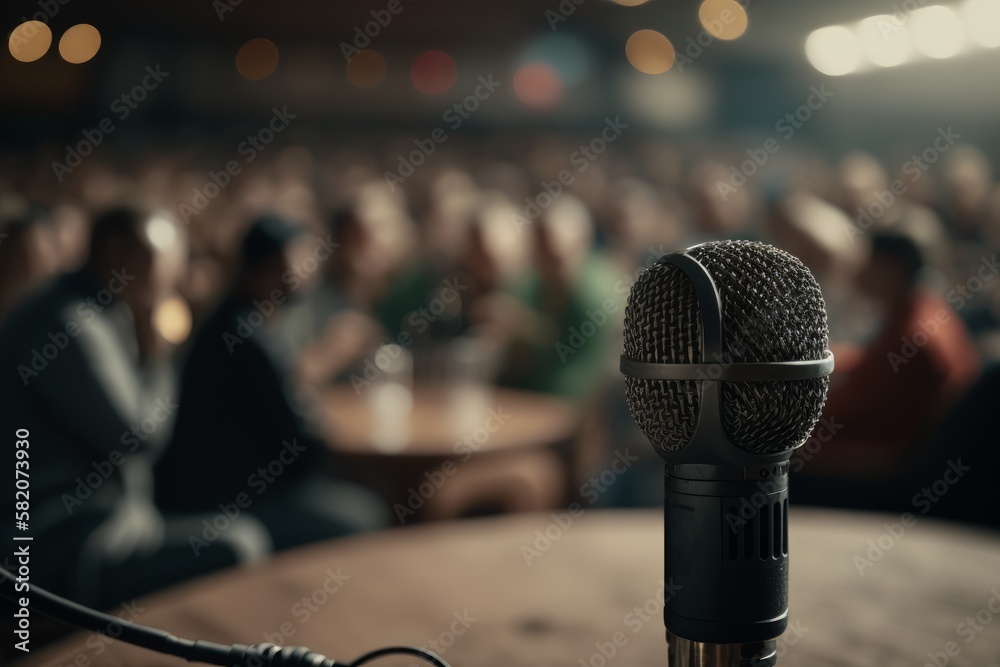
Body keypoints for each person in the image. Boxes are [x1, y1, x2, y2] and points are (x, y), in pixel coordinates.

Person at [0, 205, 270, 609]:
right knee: (239, 545)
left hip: (106, 524)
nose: (171, 274)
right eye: (158, 257)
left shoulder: (103, 309)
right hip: (60, 546)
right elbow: (137, 438)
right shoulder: (67, 322)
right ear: (113, 251)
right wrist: (160, 351)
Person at [155, 214, 388, 549]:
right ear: (273, 265)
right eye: (302, 259)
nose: (311, 270)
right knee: (368, 511)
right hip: (226, 500)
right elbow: (300, 447)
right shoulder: (246, 336)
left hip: (227, 487)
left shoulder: (237, 323)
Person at [798, 231, 980, 479]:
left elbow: (839, 406)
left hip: (889, 455)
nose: (857, 272)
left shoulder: (913, 335)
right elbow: (877, 364)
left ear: (890, 269)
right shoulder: (927, 307)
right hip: (901, 438)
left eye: (869, 262)